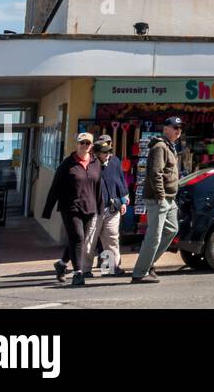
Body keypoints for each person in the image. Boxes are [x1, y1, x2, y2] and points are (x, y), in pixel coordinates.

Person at [41, 133, 102, 286]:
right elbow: (55, 187)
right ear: (76, 144)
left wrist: (100, 206)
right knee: (78, 238)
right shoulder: (67, 164)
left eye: (88, 143)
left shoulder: (96, 163)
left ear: (92, 145)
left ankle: (61, 264)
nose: (84, 145)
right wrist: (47, 210)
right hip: (70, 207)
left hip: (90, 207)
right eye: (82, 142)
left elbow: (99, 186)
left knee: (78, 240)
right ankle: (78, 273)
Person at [131, 117, 183, 284]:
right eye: (174, 127)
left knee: (172, 229)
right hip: (158, 198)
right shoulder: (160, 146)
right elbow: (155, 173)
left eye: (179, 128)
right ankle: (140, 273)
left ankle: (149, 262)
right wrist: (160, 196)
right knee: (153, 236)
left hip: (169, 198)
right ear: (166, 128)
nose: (177, 131)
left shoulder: (170, 146)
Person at [84, 137, 130, 277]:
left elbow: (120, 181)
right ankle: (85, 270)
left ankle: (110, 268)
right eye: (104, 152)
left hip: (112, 207)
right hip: (95, 209)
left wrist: (123, 200)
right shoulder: (90, 164)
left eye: (109, 151)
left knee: (111, 238)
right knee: (90, 240)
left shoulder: (115, 161)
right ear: (96, 153)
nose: (108, 154)